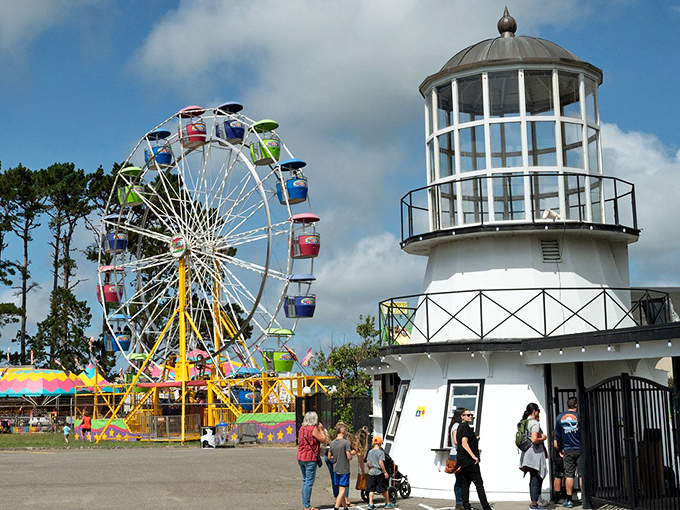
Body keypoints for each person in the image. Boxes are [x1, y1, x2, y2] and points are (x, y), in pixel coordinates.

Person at [456, 408, 493, 510]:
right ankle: (486, 507)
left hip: (462, 460)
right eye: (467, 415)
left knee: (465, 483)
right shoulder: (465, 427)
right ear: (462, 416)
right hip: (469, 461)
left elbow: (458, 441)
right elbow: (464, 442)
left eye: (471, 415)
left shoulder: (460, 427)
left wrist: (474, 439)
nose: (470, 416)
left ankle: (466, 506)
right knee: (479, 484)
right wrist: (474, 456)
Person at [519, 403, 548, 510]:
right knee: (536, 478)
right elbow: (535, 439)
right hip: (535, 454)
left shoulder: (524, 422)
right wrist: (543, 438)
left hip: (527, 454)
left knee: (533, 478)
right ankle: (534, 504)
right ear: (535, 411)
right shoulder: (534, 423)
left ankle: (536, 501)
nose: (539, 413)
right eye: (538, 411)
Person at [297, 411, 328, 510]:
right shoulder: (313, 430)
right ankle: (306, 506)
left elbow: (299, 442)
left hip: (301, 456)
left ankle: (305, 504)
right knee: (309, 482)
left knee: (305, 481)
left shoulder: (301, 429)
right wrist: (321, 430)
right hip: (310, 457)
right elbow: (324, 440)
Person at [555, 397, 581, 508]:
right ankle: (585, 500)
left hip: (567, 449)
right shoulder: (579, 416)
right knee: (582, 474)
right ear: (576, 405)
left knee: (569, 475)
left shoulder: (560, 417)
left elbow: (558, 436)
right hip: (580, 448)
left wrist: (560, 448)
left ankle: (569, 500)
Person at [328, 422, 356, 510]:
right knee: (342, 490)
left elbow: (329, 457)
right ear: (343, 432)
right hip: (344, 469)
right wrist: (352, 454)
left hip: (336, 468)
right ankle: (336, 507)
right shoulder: (345, 443)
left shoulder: (332, 443)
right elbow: (349, 457)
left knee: (340, 488)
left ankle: (345, 507)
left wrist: (335, 456)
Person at [366, 435, 395, 509]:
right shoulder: (381, 452)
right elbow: (381, 462)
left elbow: (368, 462)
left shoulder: (370, 452)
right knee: (384, 488)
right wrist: (385, 472)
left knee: (371, 489)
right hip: (379, 472)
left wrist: (369, 468)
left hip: (371, 471)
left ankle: (370, 503)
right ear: (380, 443)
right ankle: (388, 503)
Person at [447, 408, 465, 510]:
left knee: (461, 479)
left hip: (457, 454)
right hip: (457, 454)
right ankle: (459, 503)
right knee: (460, 479)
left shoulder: (455, 425)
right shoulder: (456, 426)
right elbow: (456, 441)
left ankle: (461, 501)